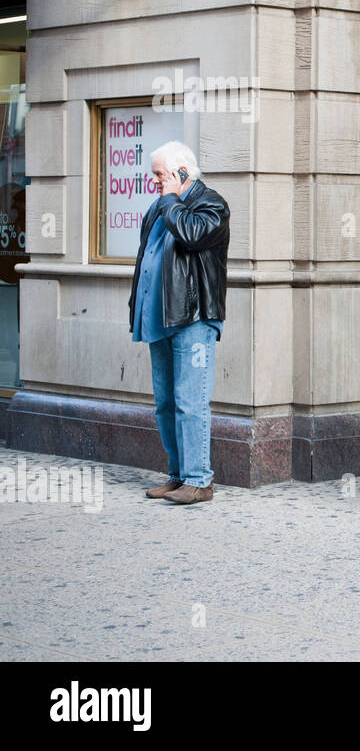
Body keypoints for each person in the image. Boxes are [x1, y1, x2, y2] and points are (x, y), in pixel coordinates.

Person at [130, 141, 230, 504]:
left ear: (181, 173)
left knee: (191, 401)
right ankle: (177, 475)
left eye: (160, 173)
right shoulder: (161, 207)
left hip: (193, 319)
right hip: (159, 318)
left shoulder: (211, 204)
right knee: (166, 404)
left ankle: (199, 480)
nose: (154, 180)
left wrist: (171, 198)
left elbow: (190, 235)